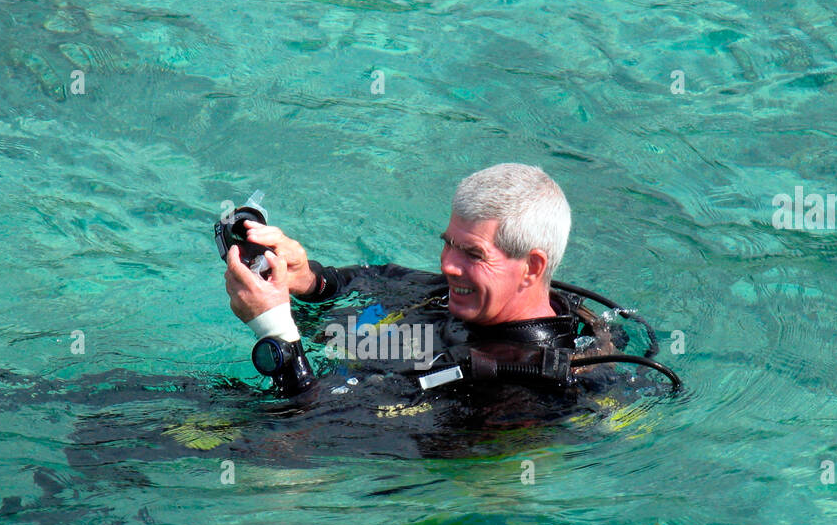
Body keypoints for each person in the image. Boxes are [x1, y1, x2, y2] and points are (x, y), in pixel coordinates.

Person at [222, 163, 674, 420]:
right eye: (447, 242)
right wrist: (309, 281)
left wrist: (276, 332)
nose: (447, 265)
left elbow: (309, 437)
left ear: (532, 267)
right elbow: (370, 280)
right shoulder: (466, 294)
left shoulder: (522, 394)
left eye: (472, 254)